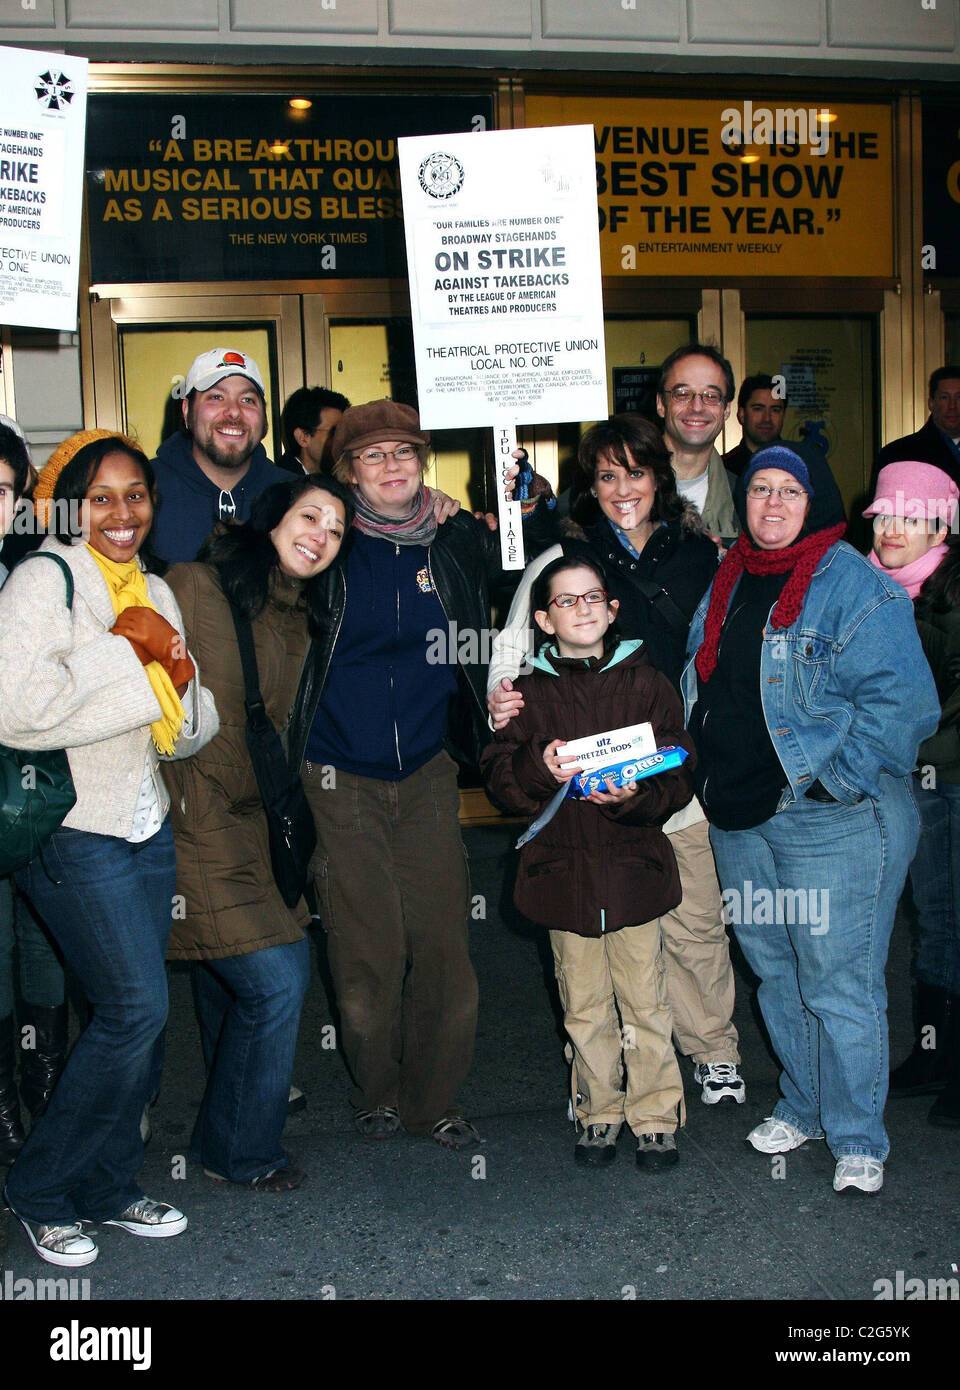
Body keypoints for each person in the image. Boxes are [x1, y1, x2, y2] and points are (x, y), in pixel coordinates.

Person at [684, 443, 940, 1194]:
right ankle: (806, 1104)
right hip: (738, 814)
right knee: (775, 972)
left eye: (788, 491)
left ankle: (859, 1135)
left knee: (839, 982)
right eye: (759, 488)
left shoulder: (854, 586)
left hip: (828, 818)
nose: (771, 504)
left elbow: (905, 707)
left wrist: (833, 782)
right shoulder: (730, 577)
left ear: (817, 501)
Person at [0, 431, 217, 1266]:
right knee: (134, 1011)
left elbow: (182, 730)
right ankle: (40, 1190)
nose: (122, 513)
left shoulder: (155, 586)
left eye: (136, 495)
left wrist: (184, 681)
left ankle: (110, 1184)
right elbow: (18, 710)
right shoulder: (41, 580)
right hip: (73, 831)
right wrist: (130, 655)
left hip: (144, 817)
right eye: (101, 497)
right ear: (66, 504)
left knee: (140, 1021)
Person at [489, 414, 745, 1106]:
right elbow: (512, 647)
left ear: (659, 479)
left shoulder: (700, 555)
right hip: (588, 780)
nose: (622, 487)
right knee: (597, 936)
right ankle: (599, 1086)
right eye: (606, 475)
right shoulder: (567, 559)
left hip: (671, 766)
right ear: (589, 487)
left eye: (636, 471)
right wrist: (502, 704)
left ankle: (713, 1049)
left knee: (693, 922)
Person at [287, 399, 520, 1148]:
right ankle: (376, 1090)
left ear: (424, 462)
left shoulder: (455, 541)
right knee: (366, 951)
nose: (392, 468)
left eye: (405, 453)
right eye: (373, 456)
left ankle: (435, 1099)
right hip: (336, 773)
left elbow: (532, 575)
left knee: (443, 945)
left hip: (426, 770)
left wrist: (523, 497)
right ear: (347, 471)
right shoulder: (323, 543)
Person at [163, 475, 352, 1189]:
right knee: (277, 977)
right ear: (272, 518)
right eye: (311, 517)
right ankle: (241, 1150)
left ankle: (227, 1136)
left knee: (248, 979)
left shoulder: (300, 615)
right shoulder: (194, 586)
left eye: (336, 530)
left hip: (254, 826)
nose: (321, 536)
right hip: (193, 819)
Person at [482, 556, 696, 1168]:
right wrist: (536, 769)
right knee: (582, 1003)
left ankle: (655, 1115)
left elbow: (679, 761)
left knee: (646, 1000)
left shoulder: (649, 683)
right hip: (562, 874)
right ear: (545, 619)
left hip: (633, 870)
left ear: (613, 609)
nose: (582, 609)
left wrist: (637, 794)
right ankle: (597, 1110)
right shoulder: (524, 695)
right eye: (566, 602)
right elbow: (499, 776)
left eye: (593, 597)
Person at [863, 460, 960, 1126]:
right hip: (913, 777)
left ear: (940, 526)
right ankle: (934, 1056)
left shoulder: (951, 589)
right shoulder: (867, 583)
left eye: (910, 517)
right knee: (933, 914)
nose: (894, 529)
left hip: (949, 773)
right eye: (884, 515)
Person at [0, 423, 68, 1167]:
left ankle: (45, 1087)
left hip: (31, 799)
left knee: (44, 942)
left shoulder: (33, 574)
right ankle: (5, 1115)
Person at [150, 347, 289, 565]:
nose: (233, 412)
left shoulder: (294, 495)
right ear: (187, 411)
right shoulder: (143, 490)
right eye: (216, 397)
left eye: (247, 400)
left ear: (264, 418)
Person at [656, 343, 739, 545]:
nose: (696, 407)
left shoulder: (748, 500)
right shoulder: (612, 490)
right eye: (682, 394)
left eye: (711, 396)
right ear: (661, 404)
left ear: (726, 410)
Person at [875, 365, 960, 488]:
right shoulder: (899, 454)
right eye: (944, 397)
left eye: (959, 397)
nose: (952, 406)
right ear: (931, 403)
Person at [723, 373, 788, 477]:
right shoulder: (723, 469)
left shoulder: (802, 465)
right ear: (742, 414)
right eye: (758, 409)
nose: (767, 418)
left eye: (775, 410)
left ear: (783, 415)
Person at [279, 386, 350, 475]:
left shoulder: (339, 480)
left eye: (346, 432)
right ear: (303, 437)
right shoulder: (281, 485)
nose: (343, 440)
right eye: (334, 433)